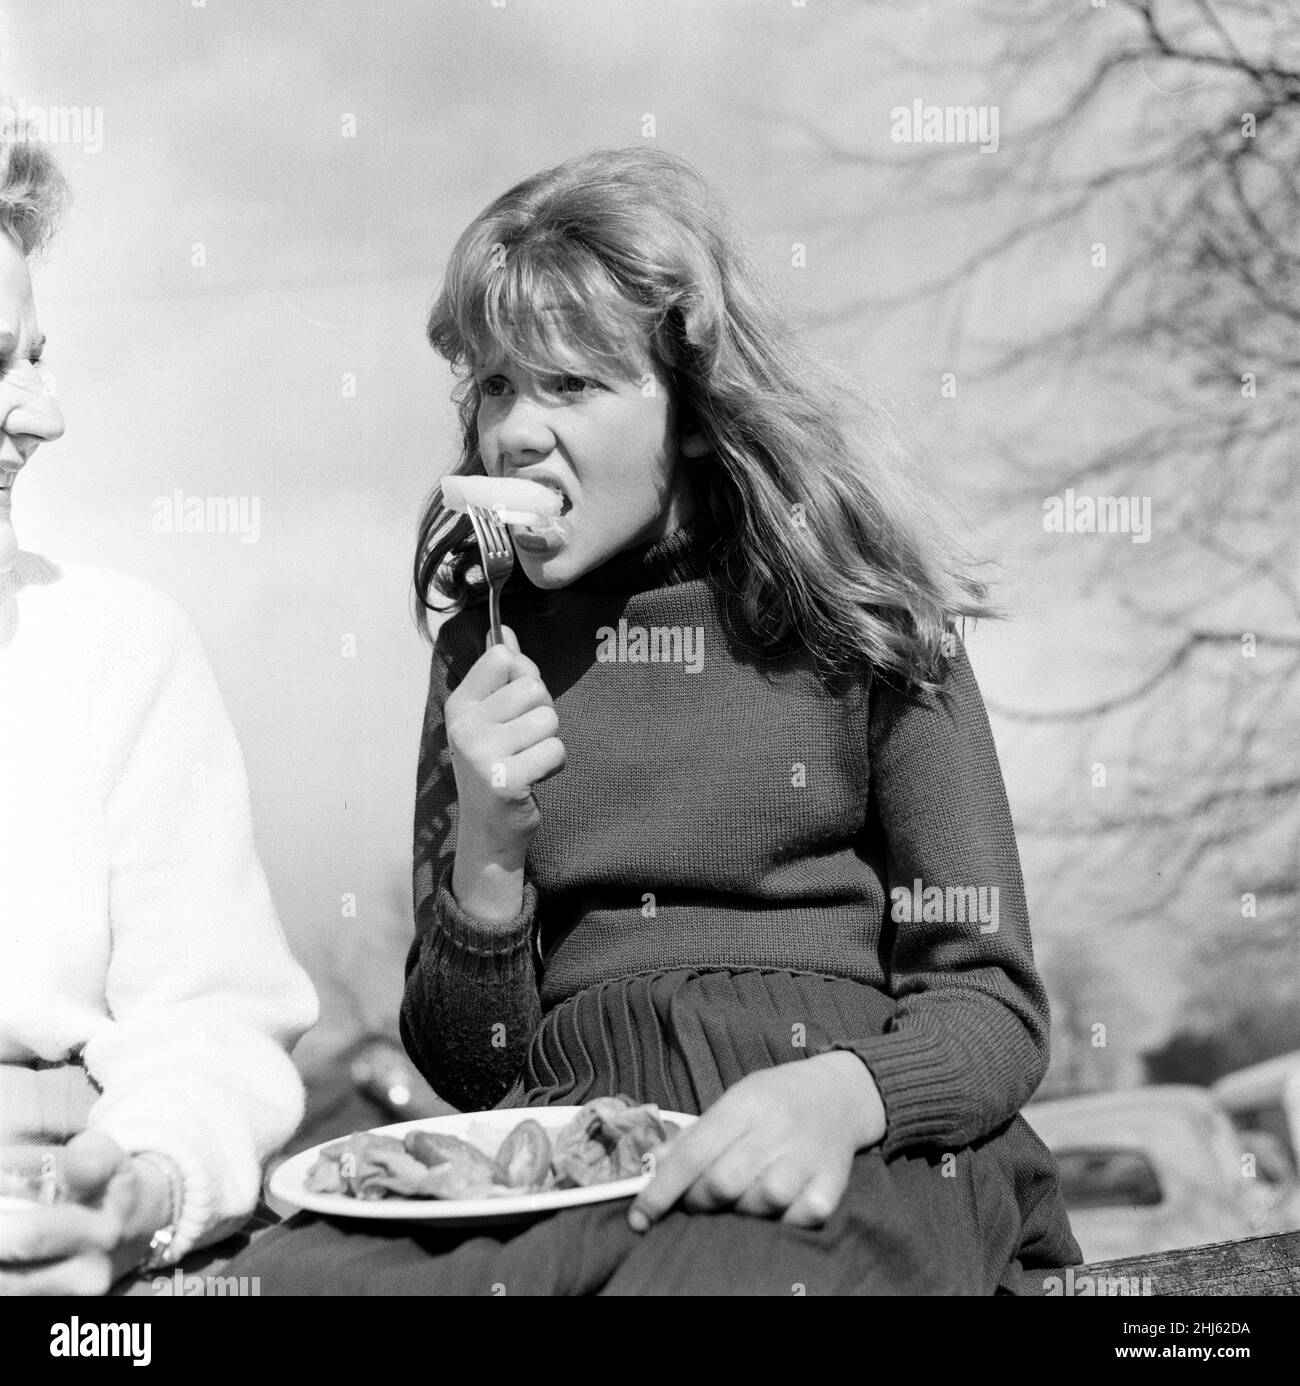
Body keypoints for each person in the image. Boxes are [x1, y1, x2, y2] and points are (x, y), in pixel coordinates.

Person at [231, 146, 1082, 1294]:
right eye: (492, 385)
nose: (514, 433)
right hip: (575, 1151)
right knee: (283, 1284)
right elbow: (474, 1074)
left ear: (688, 406)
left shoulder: (865, 615)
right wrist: (488, 845)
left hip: (850, 1134)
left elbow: (991, 1000)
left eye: (570, 385)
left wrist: (840, 1095)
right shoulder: (482, 651)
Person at [0, 114, 318, 1294]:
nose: (44, 413)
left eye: (34, 355)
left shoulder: (116, 647)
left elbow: (210, 1020)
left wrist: (143, 1187)